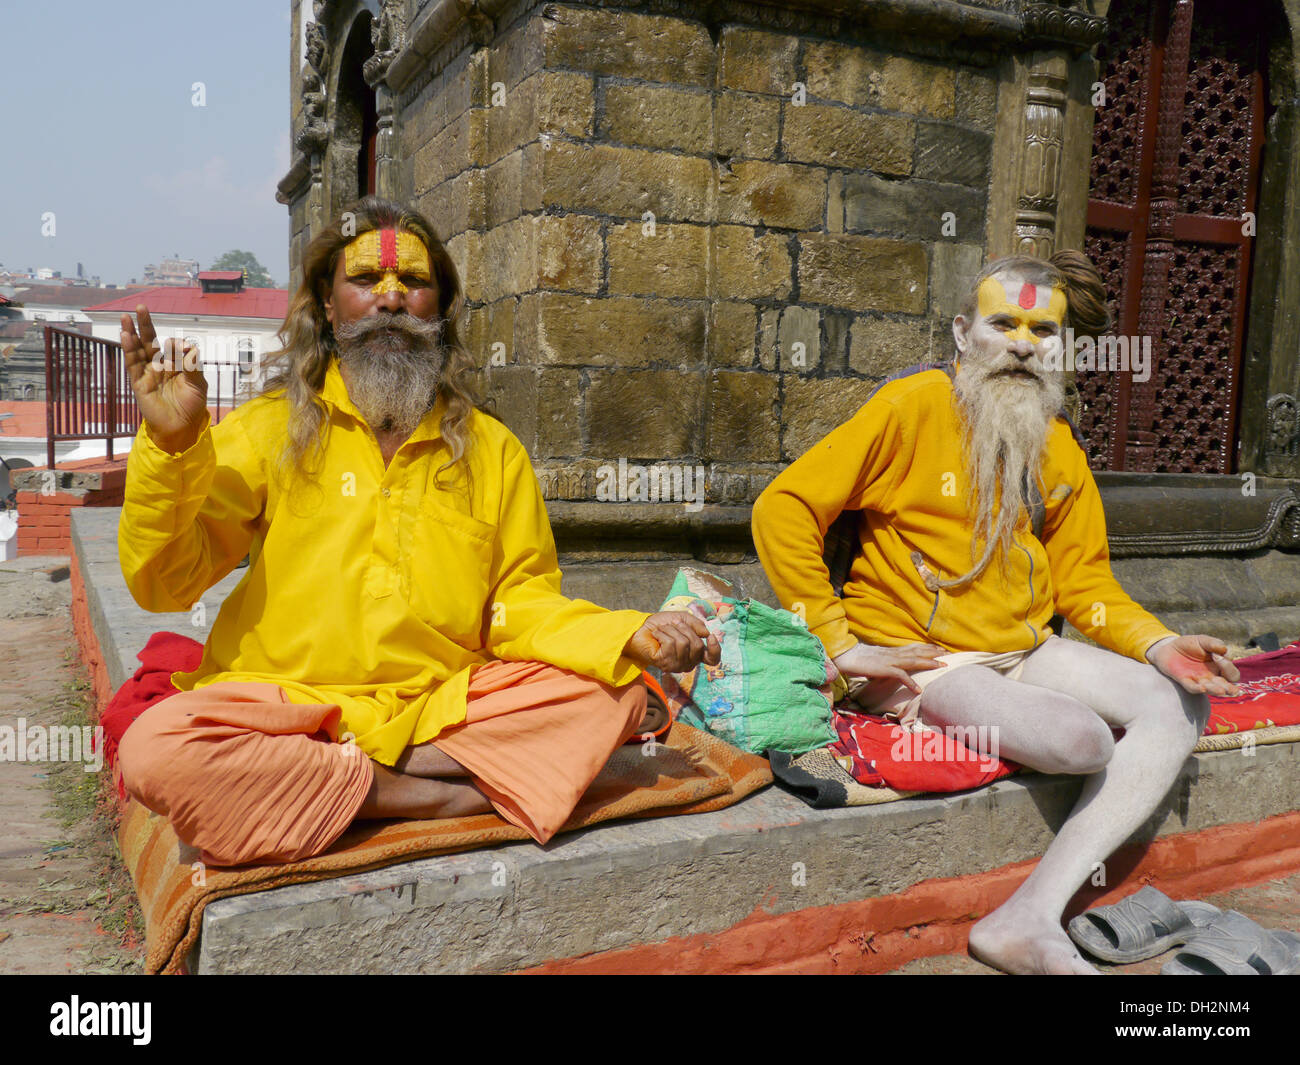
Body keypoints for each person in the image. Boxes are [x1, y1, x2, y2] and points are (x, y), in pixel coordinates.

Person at [116, 197, 719, 867]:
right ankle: (441, 797)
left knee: (616, 693)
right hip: (287, 706)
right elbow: (164, 583)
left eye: (413, 282)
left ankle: (335, 788)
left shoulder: (492, 450)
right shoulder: (266, 430)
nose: (391, 298)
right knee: (155, 749)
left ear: (439, 309)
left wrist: (626, 632)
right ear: (326, 303)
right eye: (367, 280)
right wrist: (171, 447)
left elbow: (520, 607)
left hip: (439, 708)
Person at [751, 250, 1241, 975]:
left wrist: (1160, 644)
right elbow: (782, 507)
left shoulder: (1060, 444)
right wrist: (837, 641)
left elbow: (1087, 585)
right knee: (1083, 741)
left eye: (1042, 329)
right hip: (921, 661)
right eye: (1002, 322)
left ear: (1062, 349)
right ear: (962, 332)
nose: (1021, 342)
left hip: (1023, 646)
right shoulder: (911, 405)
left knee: (1177, 704)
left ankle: (1028, 916)